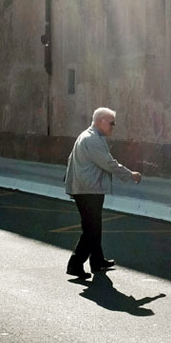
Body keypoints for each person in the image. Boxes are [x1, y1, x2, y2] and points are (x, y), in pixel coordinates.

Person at [64, 107, 141, 280]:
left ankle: (97, 260)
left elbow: (71, 160)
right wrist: (130, 175)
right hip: (88, 190)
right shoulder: (92, 139)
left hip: (87, 188)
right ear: (100, 121)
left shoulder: (90, 136)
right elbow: (108, 163)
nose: (113, 127)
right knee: (91, 229)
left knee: (94, 226)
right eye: (111, 123)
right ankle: (75, 264)